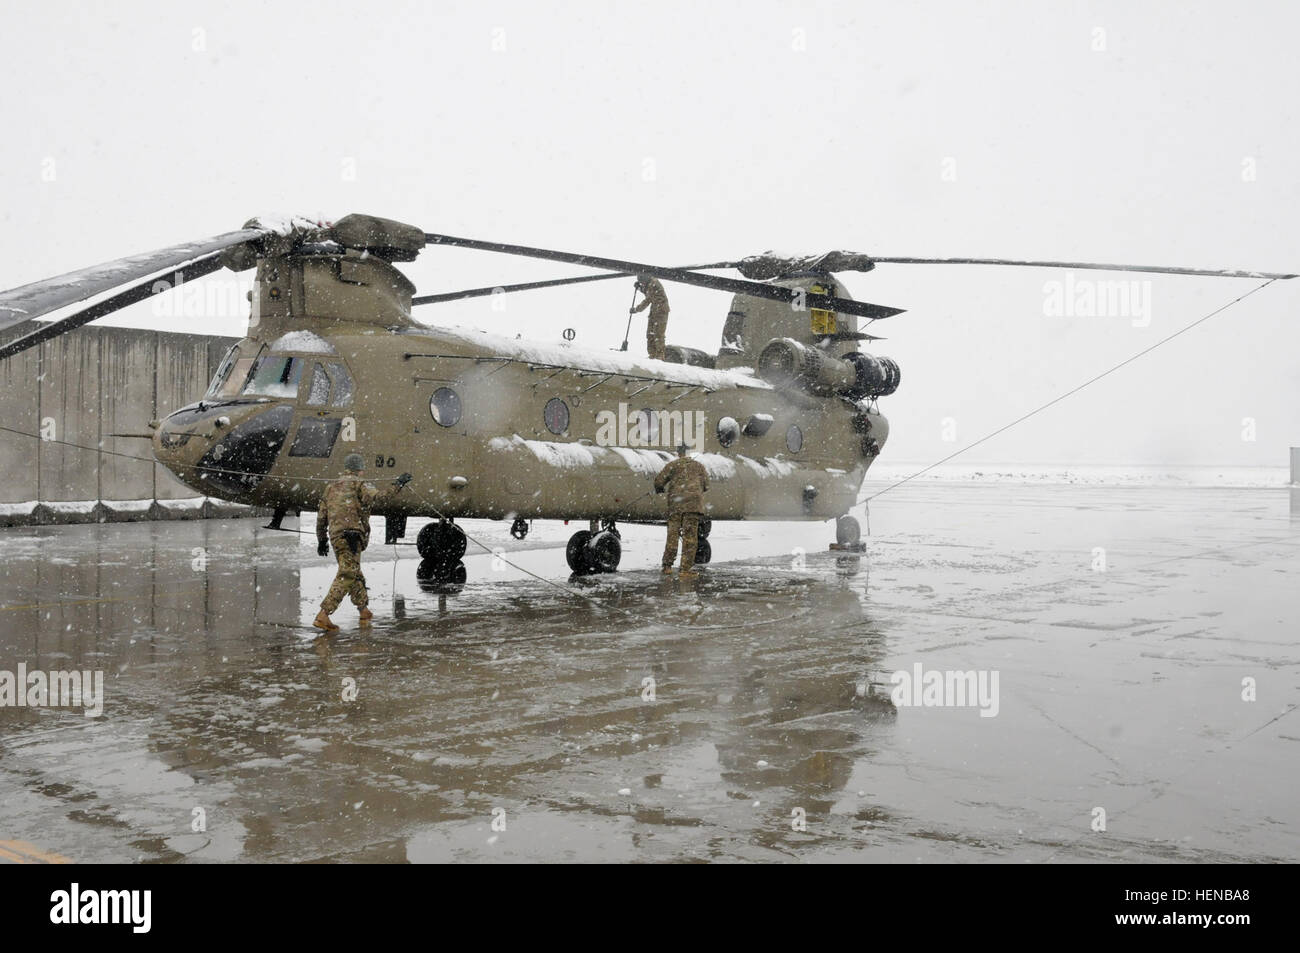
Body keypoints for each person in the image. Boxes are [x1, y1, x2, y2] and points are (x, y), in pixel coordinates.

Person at [313, 453, 411, 630]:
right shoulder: (360, 484)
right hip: (352, 536)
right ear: (360, 469)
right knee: (348, 573)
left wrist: (322, 540)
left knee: (354, 572)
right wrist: (398, 485)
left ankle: (363, 610)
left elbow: (321, 517)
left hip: (336, 537)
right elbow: (379, 498)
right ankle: (323, 615)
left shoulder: (331, 487)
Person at [654, 443, 709, 577]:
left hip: (676, 506)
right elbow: (706, 485)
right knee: (690, 538)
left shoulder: (673, 465)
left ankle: (667, 566)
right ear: (689, 452)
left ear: (678, 453)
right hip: (693, 506)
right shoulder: (699, 466)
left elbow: (659, 482)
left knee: (672, 536)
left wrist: (660, 489)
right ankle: (685, 569)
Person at [630, 274, 670, 361]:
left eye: (642, 282)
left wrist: (636, 309)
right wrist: (641, 288)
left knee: (658, 335)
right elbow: (649, 294)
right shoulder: (650, 284)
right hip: (654, 311)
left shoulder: (654, 283)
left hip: (661, 312)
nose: (642, 284)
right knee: (650, 334)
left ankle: (659, 356)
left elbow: (648, 299)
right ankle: (652, 355)